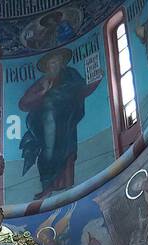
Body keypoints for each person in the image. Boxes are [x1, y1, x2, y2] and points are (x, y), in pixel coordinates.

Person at [19, 49, 101, 198]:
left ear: (62, 63)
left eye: (57, 61)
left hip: (67, 122)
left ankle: (68, 187)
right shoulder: (43, 82)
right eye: (51, 63)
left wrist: (96, 80)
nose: (54, 65)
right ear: (46, 67)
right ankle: (47, 187)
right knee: (49, 153)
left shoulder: (71, 75)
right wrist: (43, 92)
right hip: (46, 125)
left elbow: (82, 90)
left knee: (69, 153)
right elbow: (23, 104)